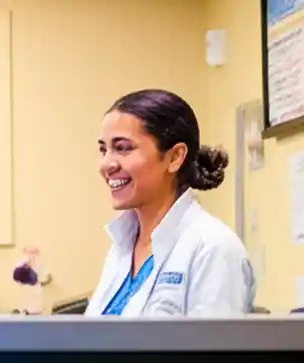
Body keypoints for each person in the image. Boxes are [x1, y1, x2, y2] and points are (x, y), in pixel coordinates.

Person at [87, 89, 255, 317]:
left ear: (175, 157)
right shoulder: (122, 246)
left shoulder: (213, 249)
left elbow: (213, 350)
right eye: (103, 149)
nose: (107, 164)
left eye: (123, 148)